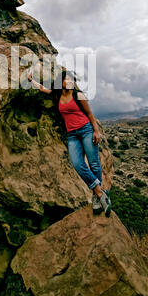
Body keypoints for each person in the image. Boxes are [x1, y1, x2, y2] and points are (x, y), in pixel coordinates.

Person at [27, 69, 112, 217]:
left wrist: (96, 131)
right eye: (67, 80)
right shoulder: (57, 95)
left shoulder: (78, 95)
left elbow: (90, 114)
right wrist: (30, 80)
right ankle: (100, 192)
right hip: (72, 135)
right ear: (62, 82)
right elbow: (42, 88)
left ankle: (97, 197)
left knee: (94, 164)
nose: (71, 82)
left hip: (86, 130)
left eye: (72, 80)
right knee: (77, 164)